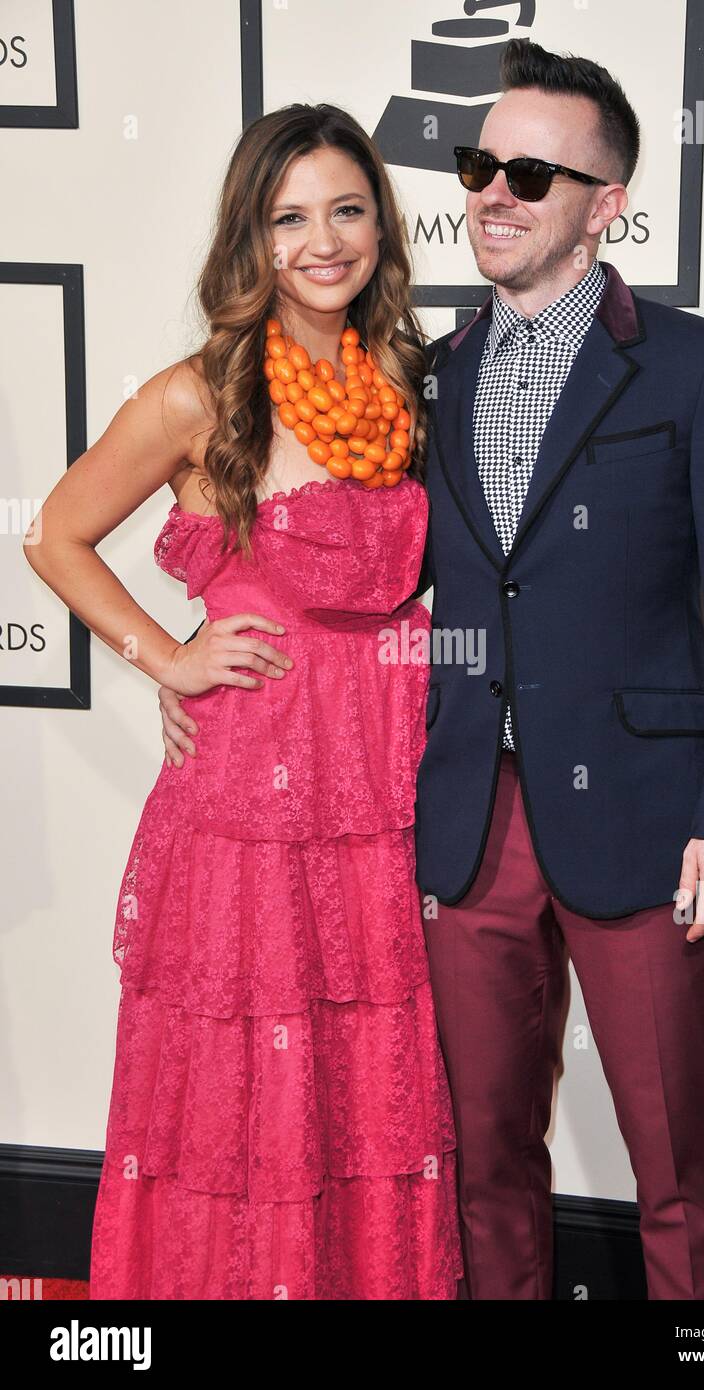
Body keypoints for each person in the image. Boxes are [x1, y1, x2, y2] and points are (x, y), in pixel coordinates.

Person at [161, 40, 704, 1301]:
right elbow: (330, 573)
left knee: (676, 1164)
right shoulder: (418, 378)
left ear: (604, 202)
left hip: (645, 820)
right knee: (477, 1161)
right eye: (475, 165)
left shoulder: (693, 363)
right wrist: (180, 665)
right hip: (456, 817)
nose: (488, 195)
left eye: (527, 171)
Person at [23, 103, 462, 1299]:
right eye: (287, 218)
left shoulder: (407, 381)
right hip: (250, 807)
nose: (322, 241)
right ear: (248, 237)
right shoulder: (200, 392)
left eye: (346, 209)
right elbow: (54, 534)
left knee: (357, 1083)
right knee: (245, 1091)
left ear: (382, 220)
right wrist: (166, 658)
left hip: (375, 793)